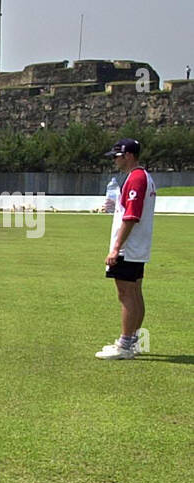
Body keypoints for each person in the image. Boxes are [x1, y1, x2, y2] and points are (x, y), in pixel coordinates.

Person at [96, 138, 156, 360]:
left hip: (129, 248)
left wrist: (116, 248)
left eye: (117, 156)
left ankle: (125, 344)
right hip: (137, 247)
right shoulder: (142, 178)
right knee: (134, 292)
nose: (114, 160)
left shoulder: (136, 179)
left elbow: (131, 217)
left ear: (128, 155)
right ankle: (131, 340)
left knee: (126, 293)